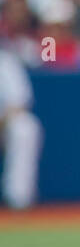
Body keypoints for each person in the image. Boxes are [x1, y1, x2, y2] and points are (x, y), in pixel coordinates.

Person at [0, 41, 42, 210]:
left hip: (4, 124)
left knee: (26, 127)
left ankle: (18, 197)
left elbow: (20, 102)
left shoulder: (5, 62)